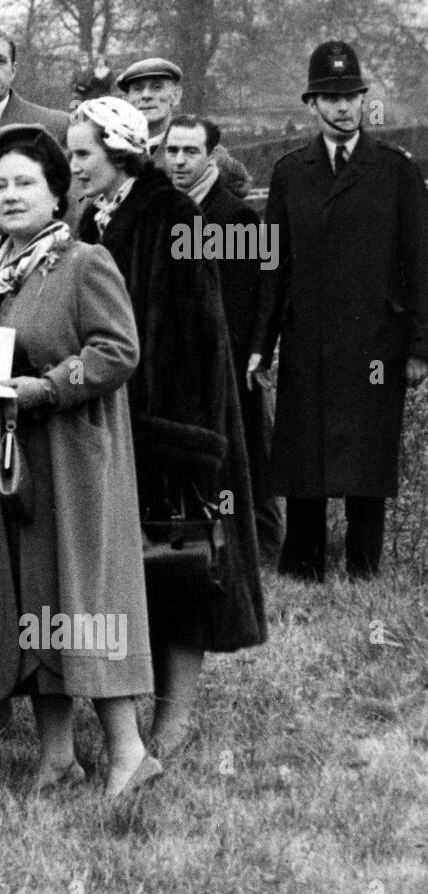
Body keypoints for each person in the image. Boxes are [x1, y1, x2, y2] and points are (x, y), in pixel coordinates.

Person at [0, 124, 158, 797]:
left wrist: (49, 386)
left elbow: (118, 351)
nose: (11, 194)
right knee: (29, 599)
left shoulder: (84, 263)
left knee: (83, 598)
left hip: (70, 460)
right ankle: (57, 757)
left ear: (57, 192)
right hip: (6, 459)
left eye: (26, 181)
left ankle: (129, 752)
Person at [70, 97, 267, 758]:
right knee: (139, 575)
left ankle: (175, 721)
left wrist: (180, 439)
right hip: (113, 425)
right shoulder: (91, 219)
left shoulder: (170, 215)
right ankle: (144, 713)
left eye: (83, 155)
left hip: (172, 422)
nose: (73, 168)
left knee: (183, 564)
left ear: (119, 152)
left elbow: (195, 334)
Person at [249, 41, 428, 581]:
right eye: (330, 97)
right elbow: (271, 264)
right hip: (307, 338)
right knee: (305, 456)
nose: (342, 107)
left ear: (362, 101)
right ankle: (302, 567)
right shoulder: (289, 172)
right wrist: (261, 343)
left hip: (376, 342)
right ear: (312, 104)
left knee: (366, 460)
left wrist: (419, 348)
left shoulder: (396, 170)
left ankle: (363, 569)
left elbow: (419, 263)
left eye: (350, 95)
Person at [165, 114, 285, 566]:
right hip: (179, 361)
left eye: (189, 151)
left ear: (211, 155)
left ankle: (262, 552)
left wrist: (253, 353)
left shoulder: (236, 218)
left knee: (245, 455)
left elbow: (252, 295)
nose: (178, 160)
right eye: (172, 150)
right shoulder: (164, 209)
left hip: (229, 360)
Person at [116, 57, 251, 197]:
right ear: (126, 102)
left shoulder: (205, 150)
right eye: (138, 89)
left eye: (157, 87)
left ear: (175, 96)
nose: (146, 95)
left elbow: (237, 189)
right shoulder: (112, 151)